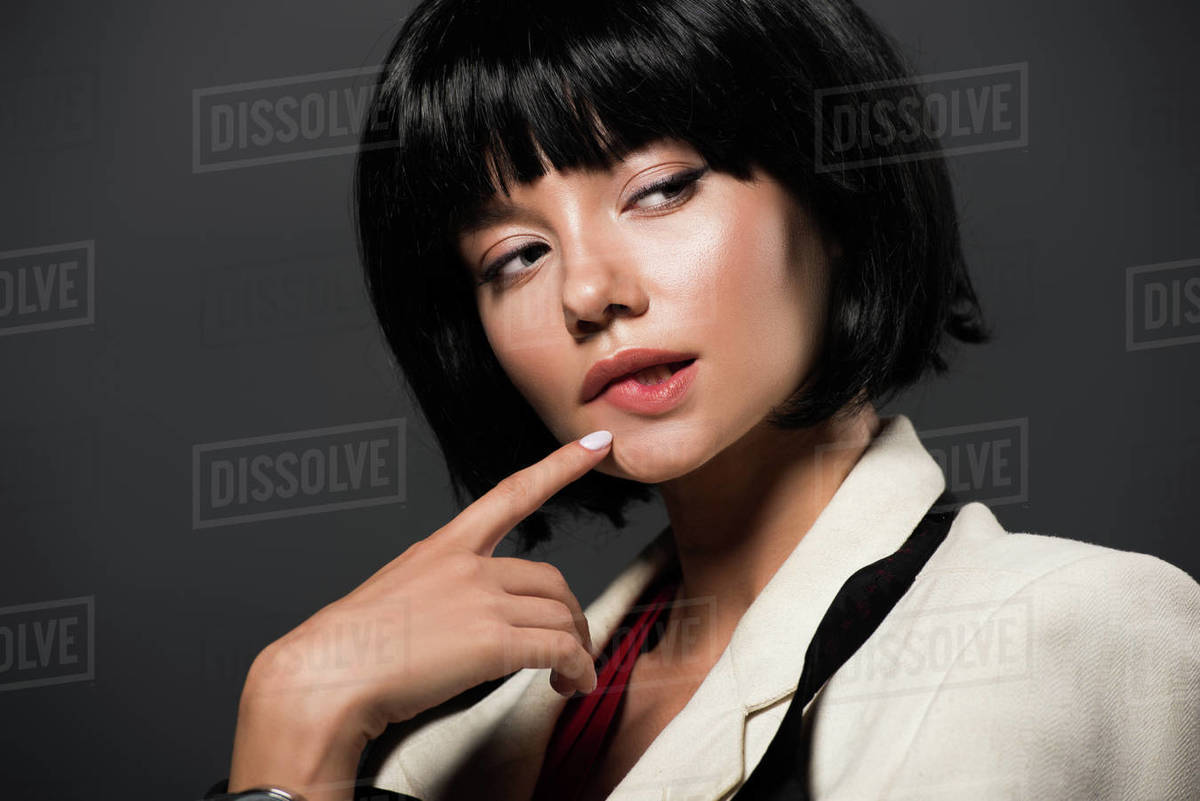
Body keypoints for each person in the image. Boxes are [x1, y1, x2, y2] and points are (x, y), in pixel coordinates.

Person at [206, 1, 1200, 800]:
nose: (589, 293)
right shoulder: (457, 748)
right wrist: (292, 716)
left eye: (661, 189)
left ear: (832, 195)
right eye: (516, 255)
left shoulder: (1061, 635)